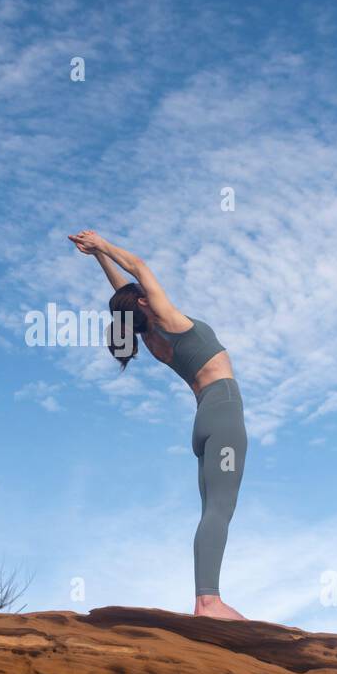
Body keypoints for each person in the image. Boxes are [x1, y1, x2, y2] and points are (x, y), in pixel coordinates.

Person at [68, 229, 248, 620]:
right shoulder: (166, 318)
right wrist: (102, 246)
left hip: (203, 422)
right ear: (147, 301)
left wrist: (99, 259)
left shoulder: (148, 335)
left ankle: (207, 596)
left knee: (211, 509)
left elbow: (124, 293)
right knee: (221, 507)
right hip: (224, 413)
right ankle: (208, 602)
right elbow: (138, 268)